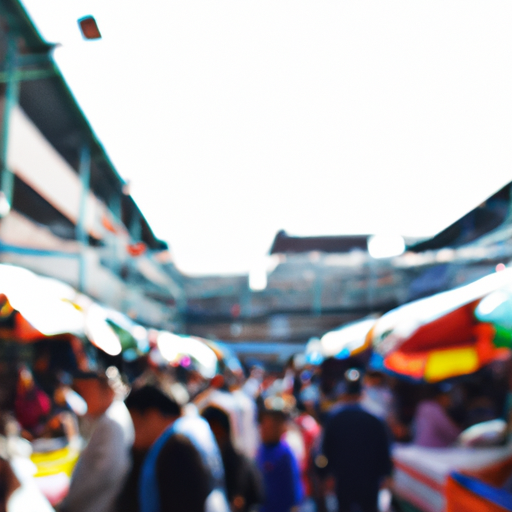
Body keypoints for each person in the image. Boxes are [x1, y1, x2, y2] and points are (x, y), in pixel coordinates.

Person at [119, 385, 229, 512]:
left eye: (135, 424)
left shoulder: (177, 447)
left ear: (152, 416)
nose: (134, 438)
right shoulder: (194, 428)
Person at [318, 369, 392, 512]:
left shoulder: (334, 417)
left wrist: (324, 474)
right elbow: (384, 450)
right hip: (369, 480)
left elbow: (325, 449)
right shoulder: (375, 417)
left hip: (343, 479)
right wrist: (386, 474)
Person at [60, 370, 134, 512]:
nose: (85, 398)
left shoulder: (112, 423)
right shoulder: (110, 416)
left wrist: (70, 501)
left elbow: (102, 474)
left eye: (88, 392)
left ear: (108, 391)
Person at [202, 406, 264, 512]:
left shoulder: (241, 463)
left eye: (216, 430)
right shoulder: (202, 462)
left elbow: (258, 495)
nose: (214, 436)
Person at [256, 397, 303, 512]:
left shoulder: (285, 453)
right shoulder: (261, 449)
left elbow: (294, 492)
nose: (264, 427)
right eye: (263, 422)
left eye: (271, 423)